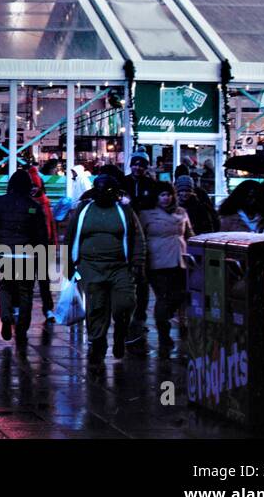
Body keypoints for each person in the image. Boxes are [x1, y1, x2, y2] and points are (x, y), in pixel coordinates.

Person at [65, 172, 147, 363]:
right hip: (90, 266)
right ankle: (97, 343)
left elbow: (137, 238)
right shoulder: (84, 210)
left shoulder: (125, 211)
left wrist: (138, 264)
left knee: (125, 304)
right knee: (96, 307)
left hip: (120, 266)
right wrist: (68, 265)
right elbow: (70, 237)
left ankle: (120, 333)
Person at [0, 168, 51, 348]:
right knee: (25, 291)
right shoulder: (33, 206)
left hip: (5, 252)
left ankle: (6, 317)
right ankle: (22, 327)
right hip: (27, 255)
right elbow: (41, 235)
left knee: (5, 286)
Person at [139, 182, 193, 359]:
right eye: (162, 195)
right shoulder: (147, 215)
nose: (166, 198)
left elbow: (189, 235)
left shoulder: (181, 212)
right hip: (158, 261)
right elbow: (140, 238)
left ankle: (167, 321)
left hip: (180, 259)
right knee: (164, 297)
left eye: (169, 194)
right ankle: (164, 334)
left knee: (182, 295)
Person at [125, 150, 158, 346]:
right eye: (135, 164)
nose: (137, 167)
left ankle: (140, 315)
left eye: (141, 165)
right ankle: (129, 313)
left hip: (144, 233)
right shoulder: (124, 182)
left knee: (143, 279)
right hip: (128, 233)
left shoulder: (150, 185)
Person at [26, 164, 57, 322]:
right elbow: (50, 225)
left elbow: (50, 225)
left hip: (38, 245)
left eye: (35, 187)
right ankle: (45, 309)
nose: (33, 189)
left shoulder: (42, 203)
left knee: (39, 280)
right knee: (38, 280)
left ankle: (46, 308)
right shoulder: (42, 202)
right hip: (38, 245)